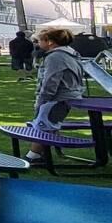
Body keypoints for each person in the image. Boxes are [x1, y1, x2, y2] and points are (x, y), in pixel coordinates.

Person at [24, 29, 85, 165]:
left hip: (57, 98)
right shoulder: (70, 53)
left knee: (42, 125)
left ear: (49, 42)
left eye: (39, 41)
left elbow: (51, 82)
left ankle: (32, 156)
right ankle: (43, 154)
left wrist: (41, 101)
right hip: (68, 96)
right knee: (49, 124)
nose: (38, 44)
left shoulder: (55, 57)